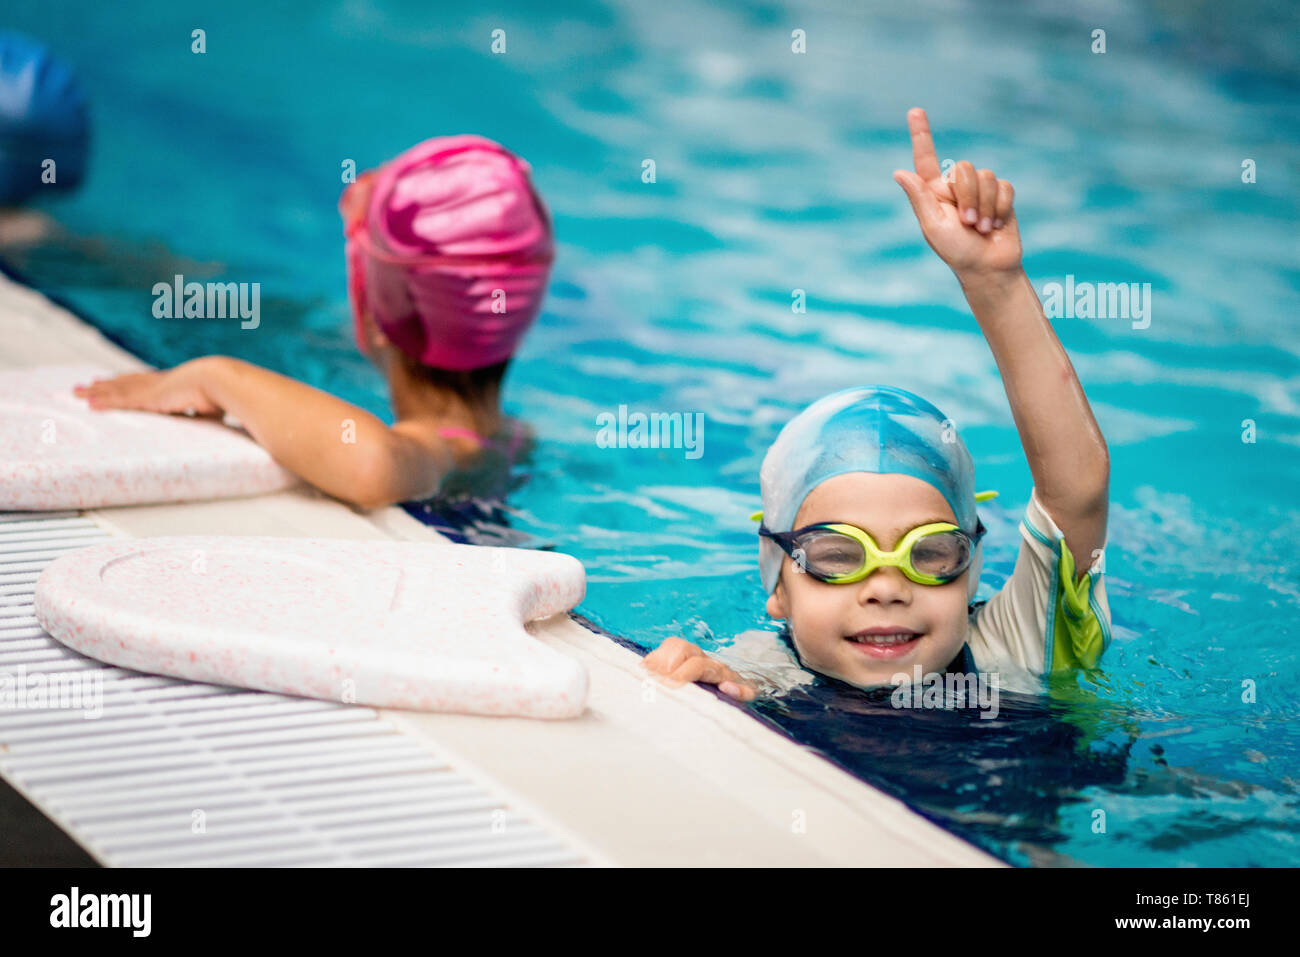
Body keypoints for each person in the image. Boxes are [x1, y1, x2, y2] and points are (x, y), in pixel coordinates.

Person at [644, 108, 1111, 700]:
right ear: (779, 589)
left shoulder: (1015, 650)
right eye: (837, 556)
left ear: (972, 575)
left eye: (933, 552)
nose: (886, 587)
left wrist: (995, 282)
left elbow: (1077, 491)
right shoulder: (762, 672)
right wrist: (701, 676)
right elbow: (715, 678)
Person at [75, 135, 555, 510]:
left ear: (380, 317)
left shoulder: (441, 450)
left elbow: (371, 465)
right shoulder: (514, 437)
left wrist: (217, 376)